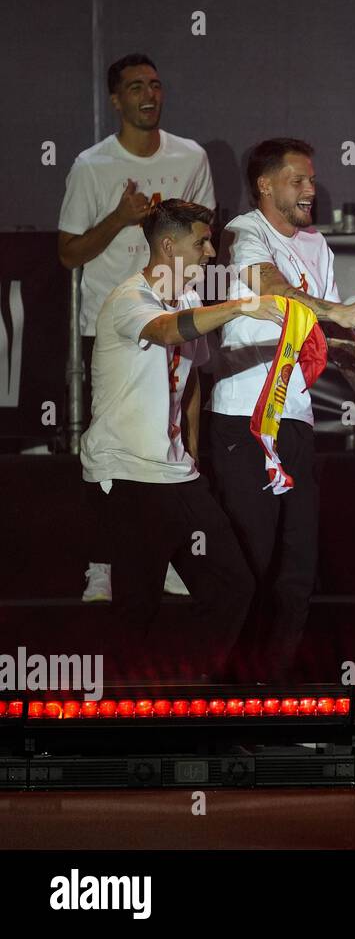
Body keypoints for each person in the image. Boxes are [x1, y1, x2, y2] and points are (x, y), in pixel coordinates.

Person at [205, 138, 355, 682]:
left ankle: (269, 699)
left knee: (297, 571)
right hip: (245, 419)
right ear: (265, 185)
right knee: (252, 566)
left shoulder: (317, 244)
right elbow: (271, 288)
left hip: (297, 423)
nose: (311, 189)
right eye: (298, 180)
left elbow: (335, 332)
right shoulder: (244, 232)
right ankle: (222, 699)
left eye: (312, 179)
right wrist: (336, 308)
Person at [80, 200, 280, 678]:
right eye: (201, 242)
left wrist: (191, 454)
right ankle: (119, 724)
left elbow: (190, 382)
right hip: (125, 473)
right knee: (136, 605)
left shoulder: (188, 300)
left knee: (233, 586)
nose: (211, 252)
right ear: (168, 246)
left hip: (177, 476)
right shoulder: (130, 298)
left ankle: (186, 693)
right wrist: (248, 302)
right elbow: (169, 332)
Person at [58, 53, 215, 602]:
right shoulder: (91, 166)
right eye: (134, 87)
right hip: (114, 323)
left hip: (171, 316)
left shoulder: (191, 156)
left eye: (155, 84)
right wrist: (121, 219)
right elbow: (68, 253)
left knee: (169, 434)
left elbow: (202, 234)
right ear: (115, 100)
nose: (148, 95)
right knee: (114, 446)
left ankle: (163, 553)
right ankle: (102, 563)